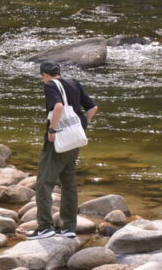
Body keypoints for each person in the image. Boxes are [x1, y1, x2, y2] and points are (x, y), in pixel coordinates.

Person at [29, 60, 98, 240]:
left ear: (44, 75)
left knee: (44, 183)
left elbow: (58, 107)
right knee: (69, 182)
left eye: (41, 77)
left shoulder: (51, 86)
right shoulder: (74, 83)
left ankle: (45, 227)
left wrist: (53, 130)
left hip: (58, 141)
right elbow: (93, 108)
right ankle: (69, 227)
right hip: (74, 139)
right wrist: (82, 126)